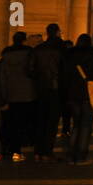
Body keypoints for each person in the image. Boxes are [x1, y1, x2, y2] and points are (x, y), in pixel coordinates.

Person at [64, 34, 93, 166]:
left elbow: (65, 74)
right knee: (86, 126)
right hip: (88, 93)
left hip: (73, 94)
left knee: (76, 125)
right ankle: (81, 156)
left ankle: (70, 156)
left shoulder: (70, 54)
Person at [31, 24, 66, 162]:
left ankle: (38, 151)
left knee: (40, 121)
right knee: (52, 123)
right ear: (57, 32)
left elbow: (30, 69)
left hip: (40, 89)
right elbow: (65, 70)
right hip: (56, 90)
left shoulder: (38, 49)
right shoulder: (61, 48)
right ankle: (47, 151)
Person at [0, 31, 35, 161]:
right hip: (28, 93)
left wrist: (3, 95)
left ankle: (8, 148)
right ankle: (19, 149)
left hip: (10, 93)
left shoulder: (5, 56)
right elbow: (33, 72)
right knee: (24, 122)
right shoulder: (29, 54)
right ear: (24, 40)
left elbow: (2, 78)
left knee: (9, 122)